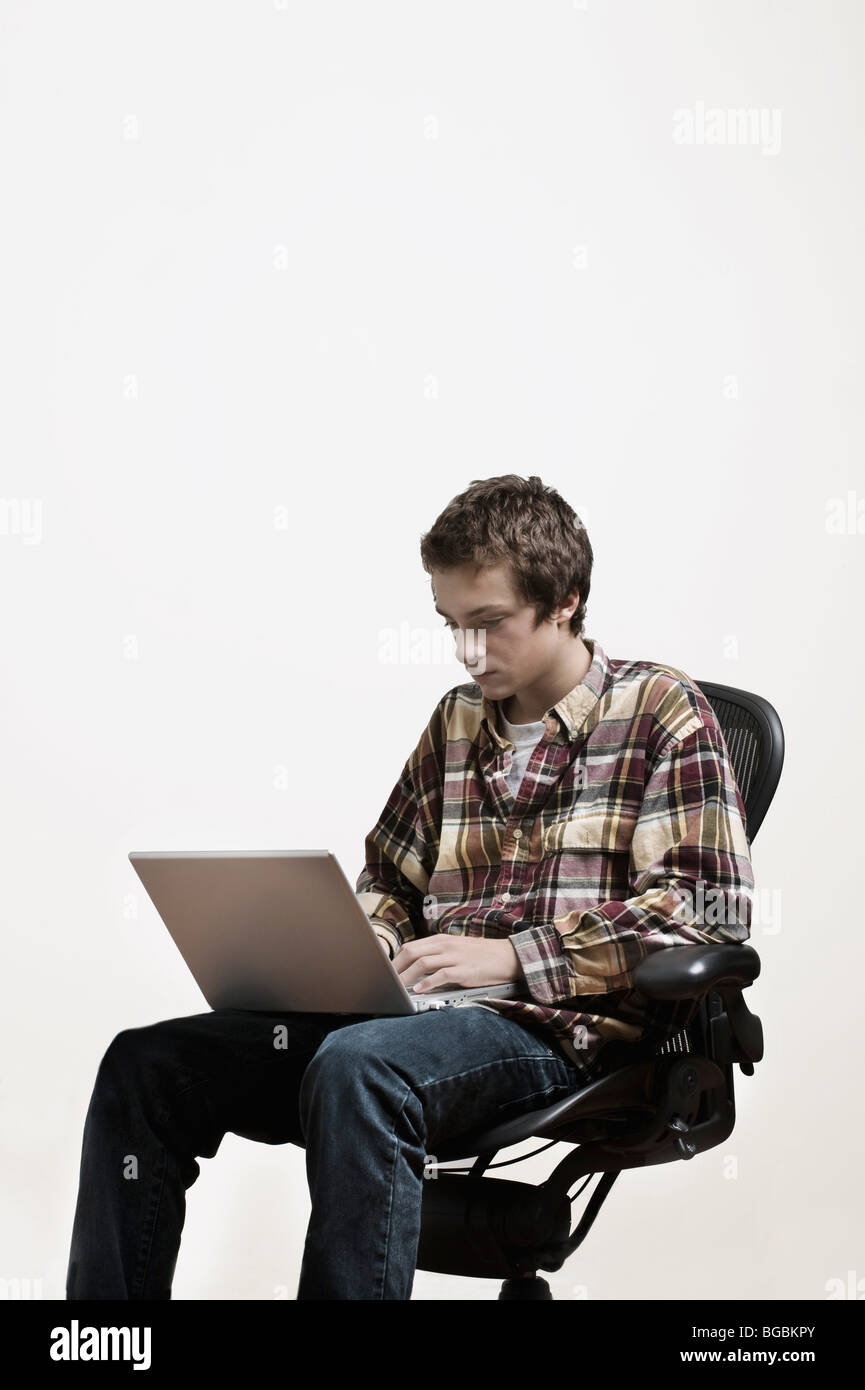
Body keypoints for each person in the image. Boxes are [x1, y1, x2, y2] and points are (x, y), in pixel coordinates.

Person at [65, 473, 754, 1300]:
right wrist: (373, 944)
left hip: (554, 1032)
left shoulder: (660, 712)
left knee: (361, 1065)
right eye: (450, 625)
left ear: (564, 600)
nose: (467, 652)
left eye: (489, 624)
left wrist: (508, 958)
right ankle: (106, 1344)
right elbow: (390, 876)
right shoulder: (457, 721)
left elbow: (700, 916)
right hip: (411, 1022)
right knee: (148, 1063)